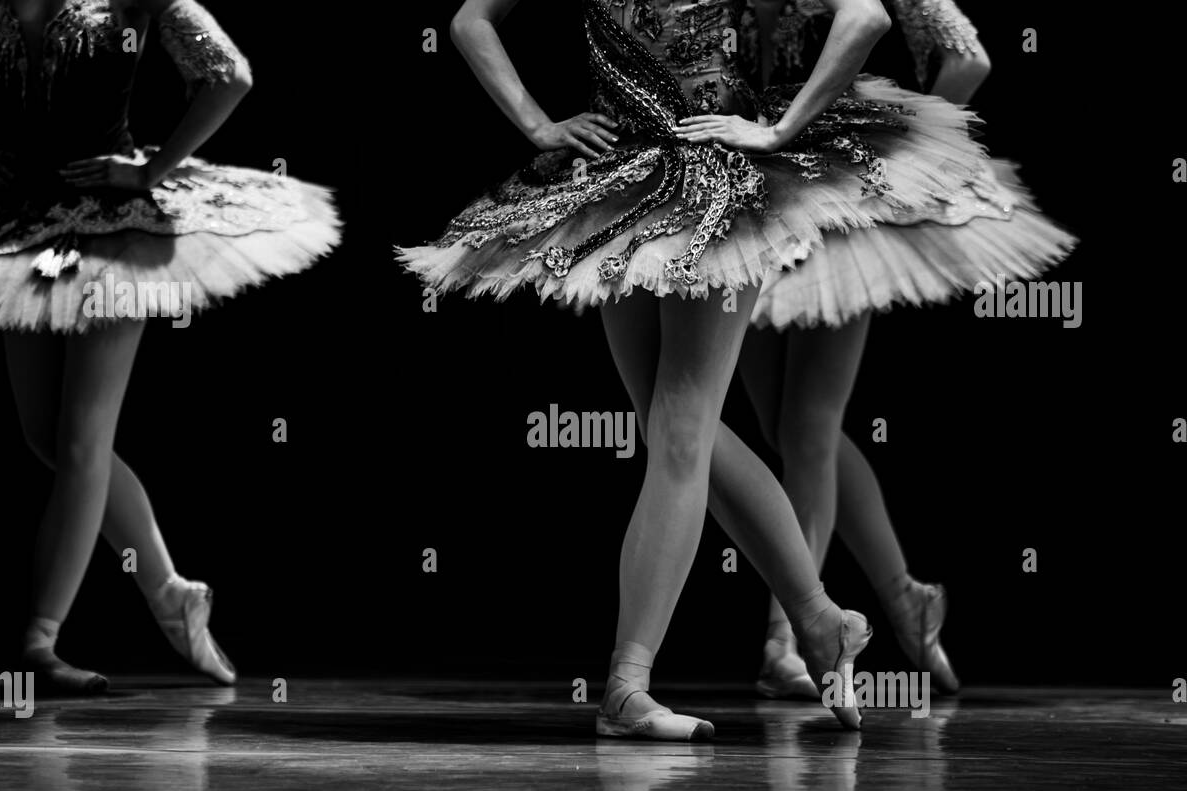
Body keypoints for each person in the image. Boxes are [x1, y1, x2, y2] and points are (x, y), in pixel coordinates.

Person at [398, 0, 1061, 738]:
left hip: (719, 182)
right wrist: (538, 125)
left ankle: (627, 683)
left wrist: (778, 131)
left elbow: (865, 15)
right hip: (624, 176)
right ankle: (818, 620)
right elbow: (469, 20)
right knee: (672, 427)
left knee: (689, 427)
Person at [0, 0, 341, 693]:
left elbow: (228, 75)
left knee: (82, 438)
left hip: (112, 227)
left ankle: (40, 638)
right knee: (45, 436)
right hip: (19, 225)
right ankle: (174, 595)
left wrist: (151, 173)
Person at [733, 0, 1075, 700]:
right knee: (783, 428)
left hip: (838, 186)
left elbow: (969, 57)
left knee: (807, 426)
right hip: (758, 184)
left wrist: (894, 156)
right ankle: (904, 597)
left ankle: (788, 637)